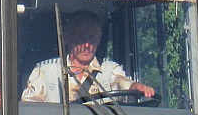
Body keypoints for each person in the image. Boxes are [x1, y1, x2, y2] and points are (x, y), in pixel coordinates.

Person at [22, 10, 155, 102]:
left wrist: (137, 87)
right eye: (80, 38)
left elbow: (124, 83)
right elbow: (30, 110)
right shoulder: (45, 71)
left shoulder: (110, 70)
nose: (86, 45)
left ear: (99, 38)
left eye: (91, 38)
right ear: (66, 38)